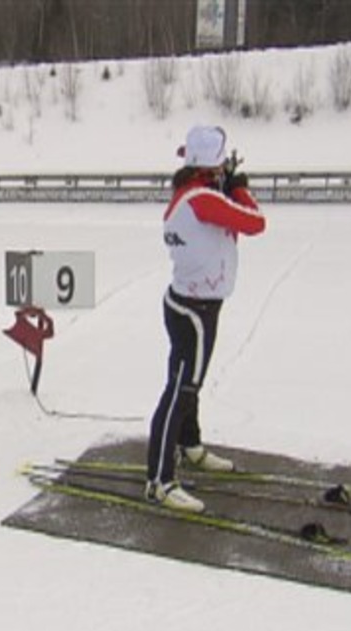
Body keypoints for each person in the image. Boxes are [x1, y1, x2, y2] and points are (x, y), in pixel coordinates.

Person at [145, 125, 267, 512]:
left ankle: (190, 444)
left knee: (188, 385)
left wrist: (224, 186)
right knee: (180, 391)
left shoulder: (192, 195)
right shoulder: (200, 198)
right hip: (193, 312)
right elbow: (255, 221)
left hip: (192, 306)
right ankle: (160, 480)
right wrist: (239, 187)